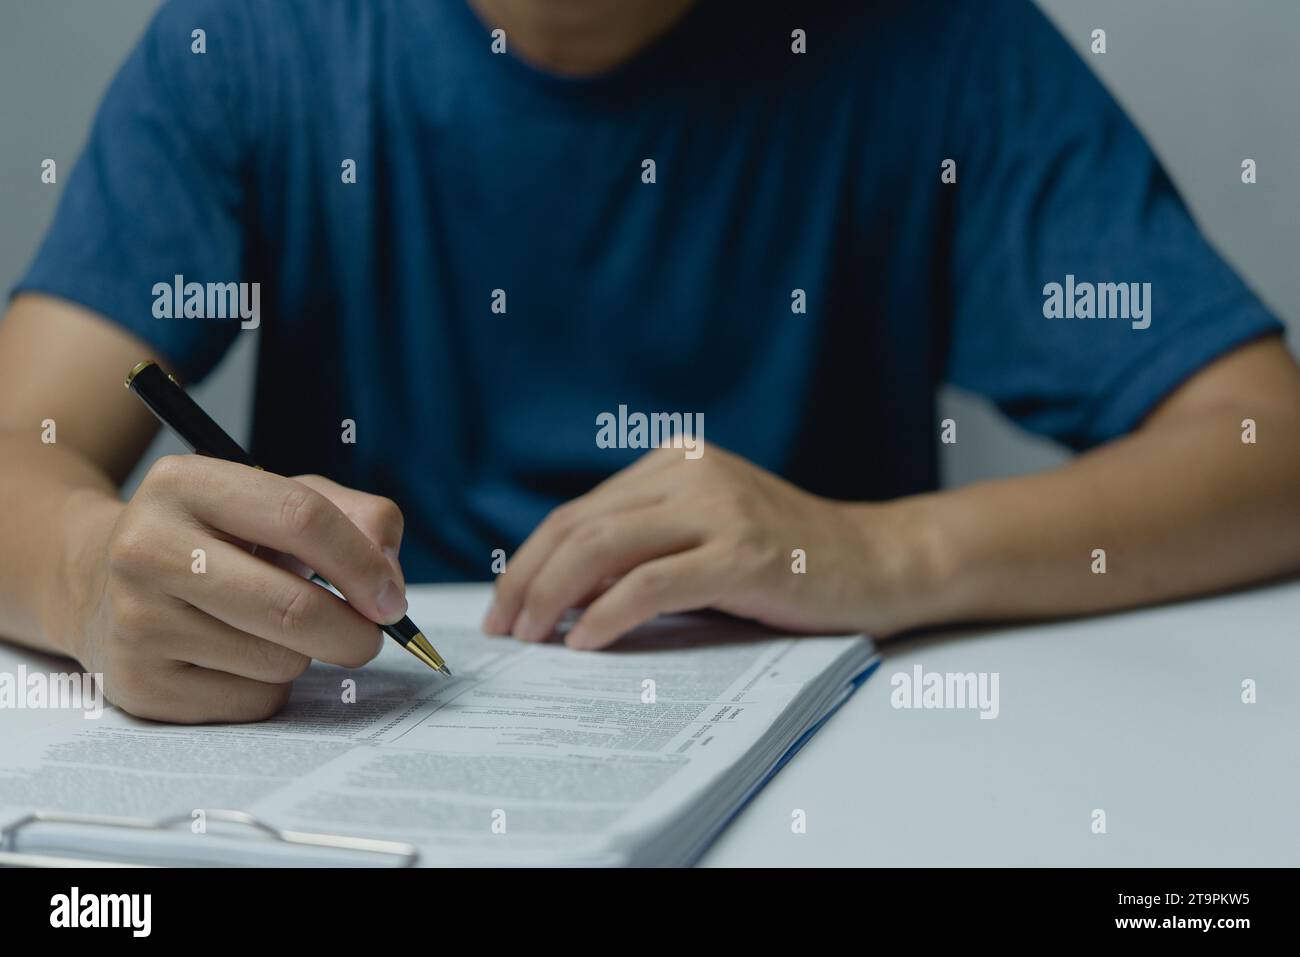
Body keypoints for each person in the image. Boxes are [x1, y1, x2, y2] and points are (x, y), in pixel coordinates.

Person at [2, 0, 1298, 723]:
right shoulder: (258, 42)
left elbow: (1267, 444)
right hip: (374, 744)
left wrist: (882, 553)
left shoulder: (941, 41)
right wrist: (89, 584)